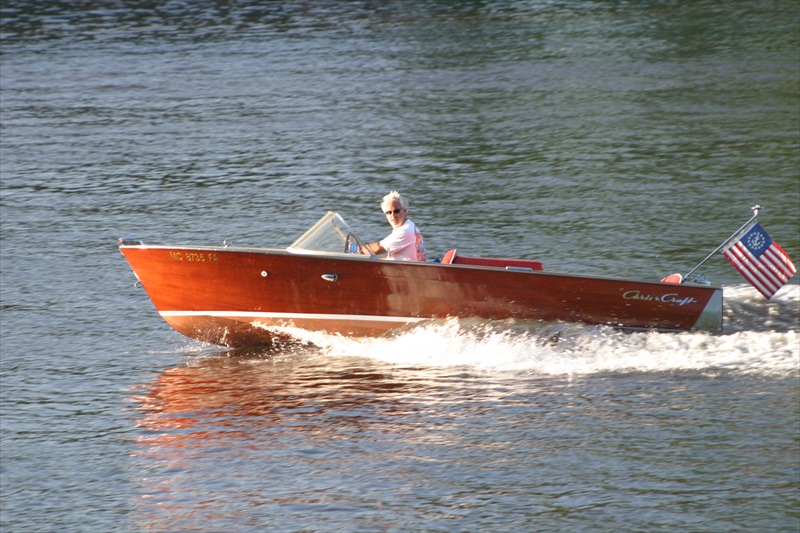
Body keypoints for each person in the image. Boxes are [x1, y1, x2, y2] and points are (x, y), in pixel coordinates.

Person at [360, 191, 427, 261]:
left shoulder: (404, 231)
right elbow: (392, 258)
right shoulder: (410, 225)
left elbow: (375, 250)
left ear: (405, 210)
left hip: (409, 270)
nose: (393, 215)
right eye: (389, 212)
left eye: (396, 211)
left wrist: (355, 248)